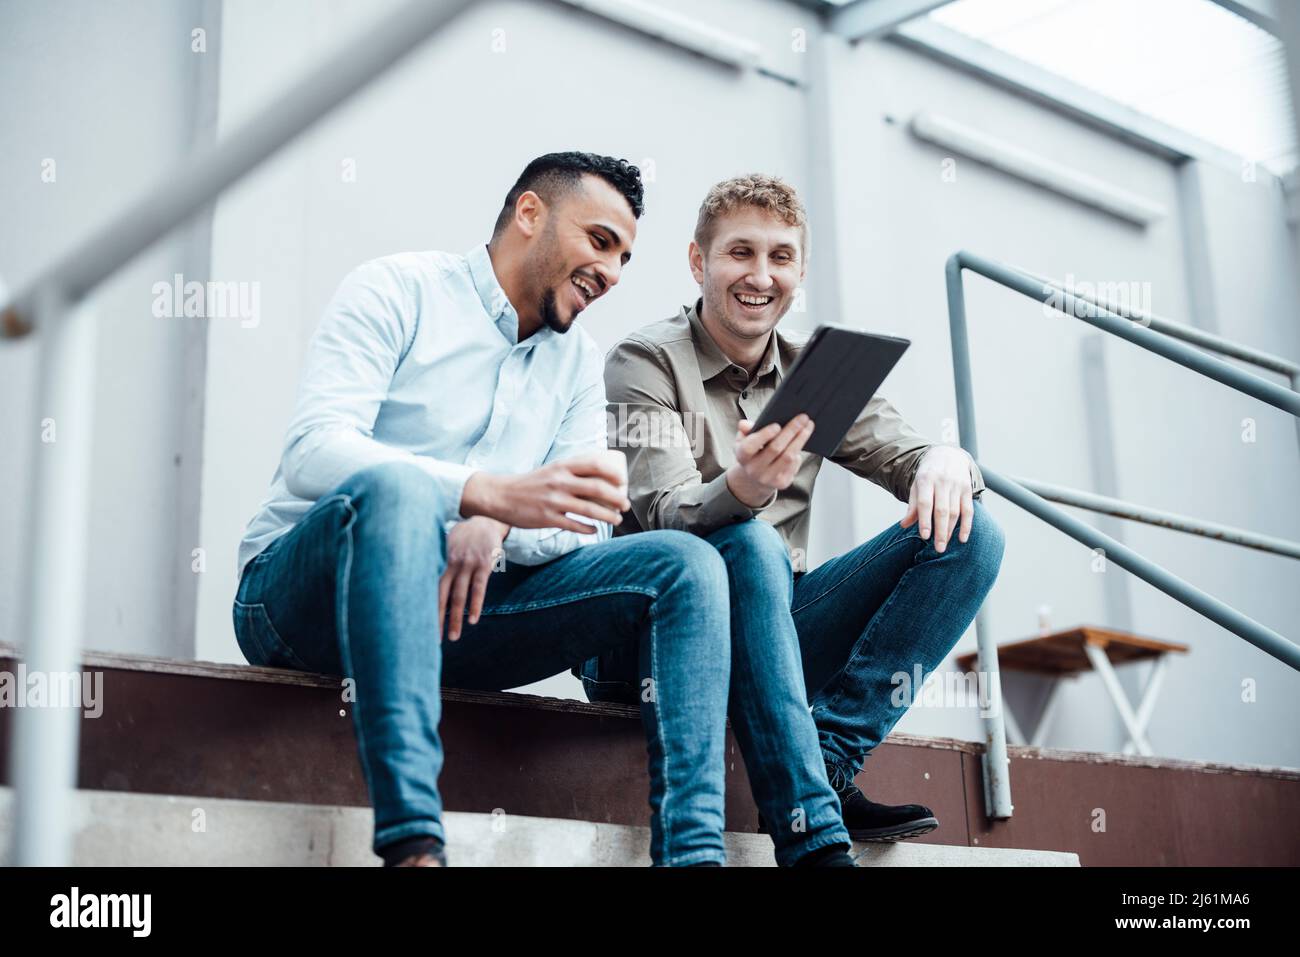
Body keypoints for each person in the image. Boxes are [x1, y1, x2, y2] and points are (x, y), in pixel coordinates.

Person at [232, 154, 851, 867]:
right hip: (301, 603)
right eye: (598, 240)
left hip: (460, 616)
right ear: (530, 215)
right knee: (398, 494)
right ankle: (414, 847)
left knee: (688, 562)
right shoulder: (398, 288)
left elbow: (584, 522)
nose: (612, 271)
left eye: (623, 256)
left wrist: (500, 520)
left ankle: (692, 856)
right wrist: (477, 490)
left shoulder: (578, 364)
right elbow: (316, 450)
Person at [593, 173, 1005, 842]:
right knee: (751, 543)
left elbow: (906, 455)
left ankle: (830, 758)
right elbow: (667, 511)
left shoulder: (816, 373)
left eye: (780, 256)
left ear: (800, 271)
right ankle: (805, 814)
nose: (761, 275)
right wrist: (744, 489)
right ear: (699, 262)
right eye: (740, 252)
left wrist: (945, 459)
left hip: (772, 634)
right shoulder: (644, 362)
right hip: (650, 644)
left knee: (971, 532)